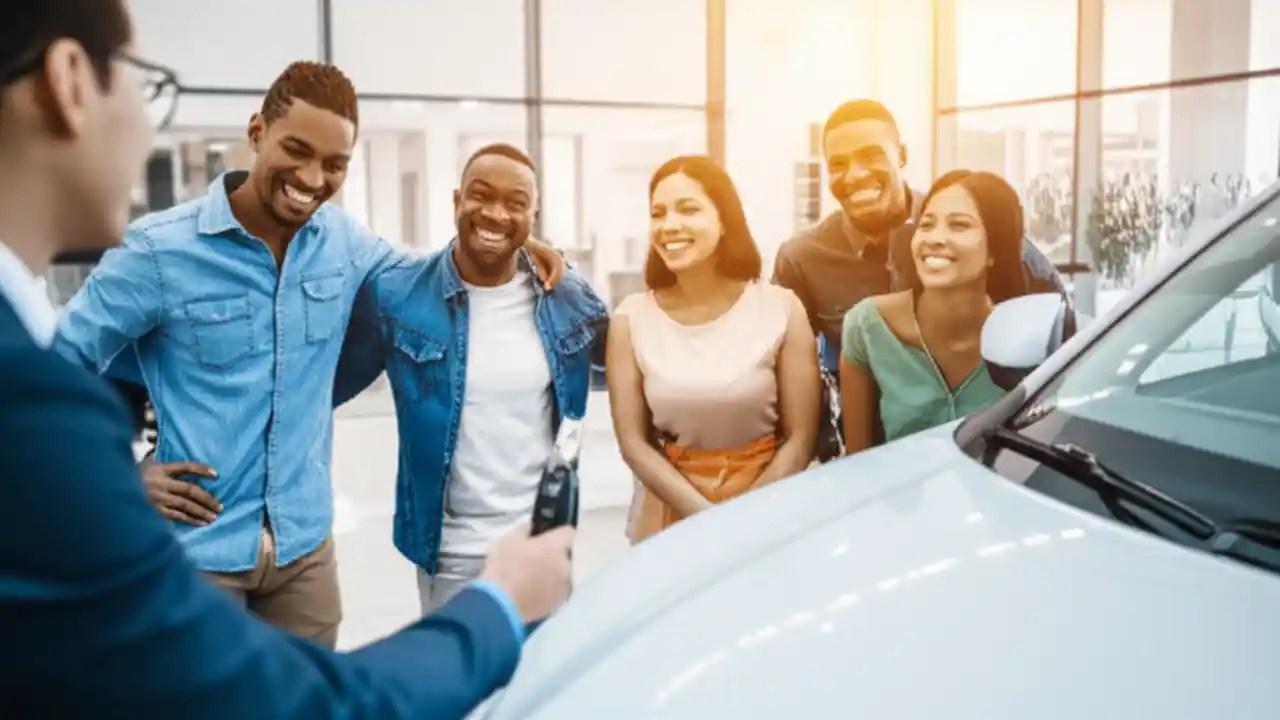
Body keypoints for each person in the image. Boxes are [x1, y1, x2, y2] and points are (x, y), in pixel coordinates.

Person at [0, 2, 573, 717]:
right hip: (202, 548)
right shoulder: (159, 251)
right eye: (296, 151)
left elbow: (433, 276)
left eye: (334, 164)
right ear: (257, 133)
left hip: (305, 548)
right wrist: (125, 475)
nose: (312, 177)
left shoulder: (344, 241)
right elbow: (59, 357)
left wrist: (516, 251)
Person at [333, 142, 608, 614]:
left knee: (541, 684)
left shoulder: (564, 296)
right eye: (481, 196)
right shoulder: (399, 295)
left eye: (516, 203)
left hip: (539, 543)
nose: (496, 214)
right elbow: (316, 389)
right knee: (459, 685)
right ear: (456, 201)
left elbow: (635, 367)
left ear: (534, 214)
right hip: (450, 552)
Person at [772, 99, 1066, 459]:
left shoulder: (973, 219)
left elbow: (1060, 334)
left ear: (902, 156)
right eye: (838, 165)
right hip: (883, 463)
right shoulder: (803, 259)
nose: (854, 175)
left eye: (870, 156)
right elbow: (784, 372)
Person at [607, 155, 820, 544]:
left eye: (688, 209)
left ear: (725, 222)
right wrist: (707, 519)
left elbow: (801, 437)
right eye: (658, 213)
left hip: (770, 510)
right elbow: (634, 445)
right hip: (670, 514)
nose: (669, 225)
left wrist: (744, 518)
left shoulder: (781, 308)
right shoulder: (631, 319)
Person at [840, 170, 1025, 452]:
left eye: (959, 225)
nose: (935, 238)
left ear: (994, 250)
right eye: (926, 225)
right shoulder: (867, 327)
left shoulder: (1027, 339)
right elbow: (856, 462)